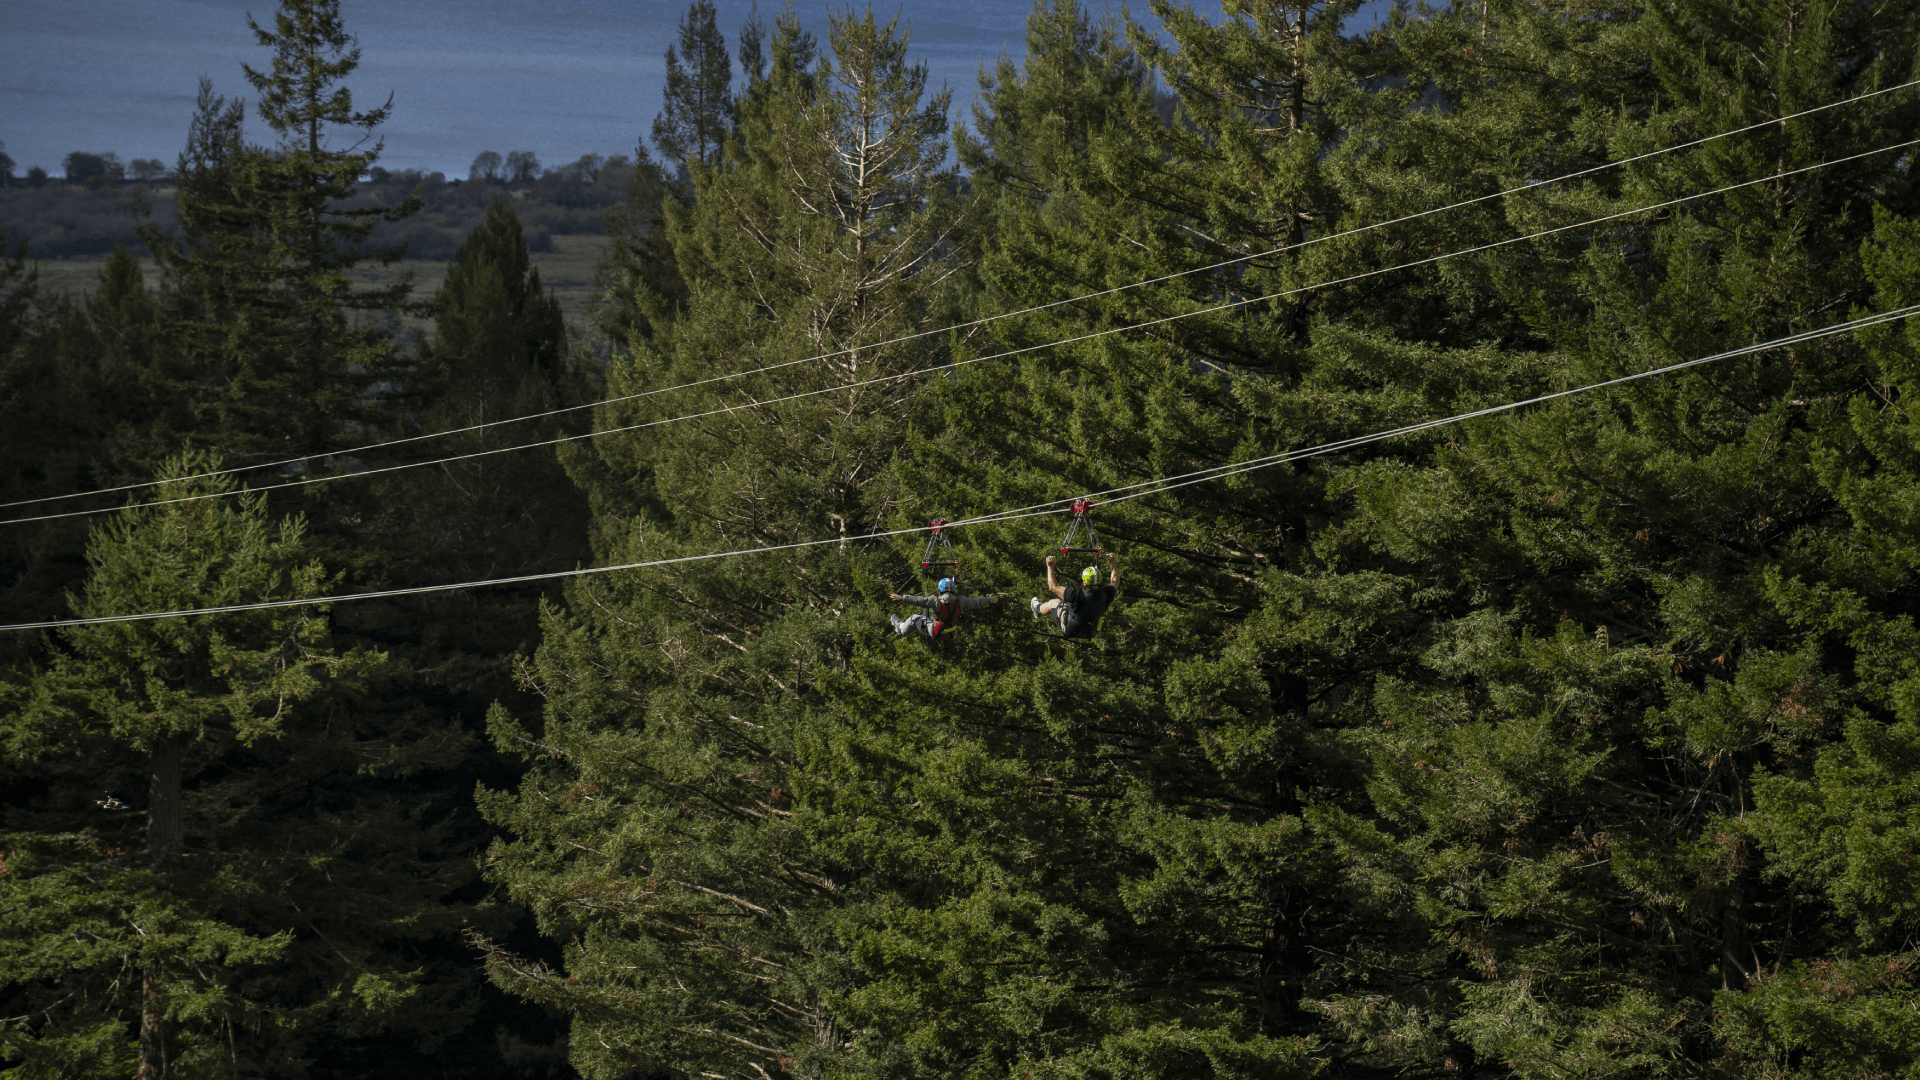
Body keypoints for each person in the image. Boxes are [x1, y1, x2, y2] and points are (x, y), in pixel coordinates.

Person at [1030, 552, 1119, 639]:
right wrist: (1113, 563)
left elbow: (1053, 587)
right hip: (1090, 632)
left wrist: (1050, 567)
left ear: (1084, 582)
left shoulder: (1076, 594)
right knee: (1068, 606)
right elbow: (1115, 583)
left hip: (1070, 629)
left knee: (1054, 603)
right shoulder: (1106, 593)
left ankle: (1037, 609)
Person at [889, 578, 999, 638]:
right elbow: (976, 602)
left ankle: (900, 628)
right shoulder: (961, 601)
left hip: (935, 631)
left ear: (940, 590)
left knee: (915, 618)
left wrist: (902, 598)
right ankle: (904, 627)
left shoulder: (936, 601)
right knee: (923, 617)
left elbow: (918, 601)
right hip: (950, 632)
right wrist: (989, 599)